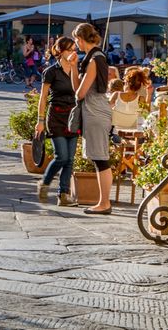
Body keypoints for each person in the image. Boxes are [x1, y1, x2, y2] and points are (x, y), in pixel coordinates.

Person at [69, 22, 113, 215]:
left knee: (101, 158)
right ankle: (103, 202)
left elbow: (80, 93)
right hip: (95, 109)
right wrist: (73, 67)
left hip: (95, 110)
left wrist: (77, 82)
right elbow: (77, 89)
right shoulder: (92, 58)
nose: (75, 44)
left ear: (80, 38)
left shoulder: (95, 59)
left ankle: (104, 203)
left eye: (76, 40)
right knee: (98, 158)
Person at [34, 36, 81, 206]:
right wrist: (40, 120)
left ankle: (63, 194)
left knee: (70, 160)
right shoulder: (51, 71)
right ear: (60, 52)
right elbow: (43, 97)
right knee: (61, 156)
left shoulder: (78, 68)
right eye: (70, 49)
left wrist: (76, 68)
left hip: (73, 117)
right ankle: (45, 183)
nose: (73, 53)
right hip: (56, 116)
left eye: (75, 49)